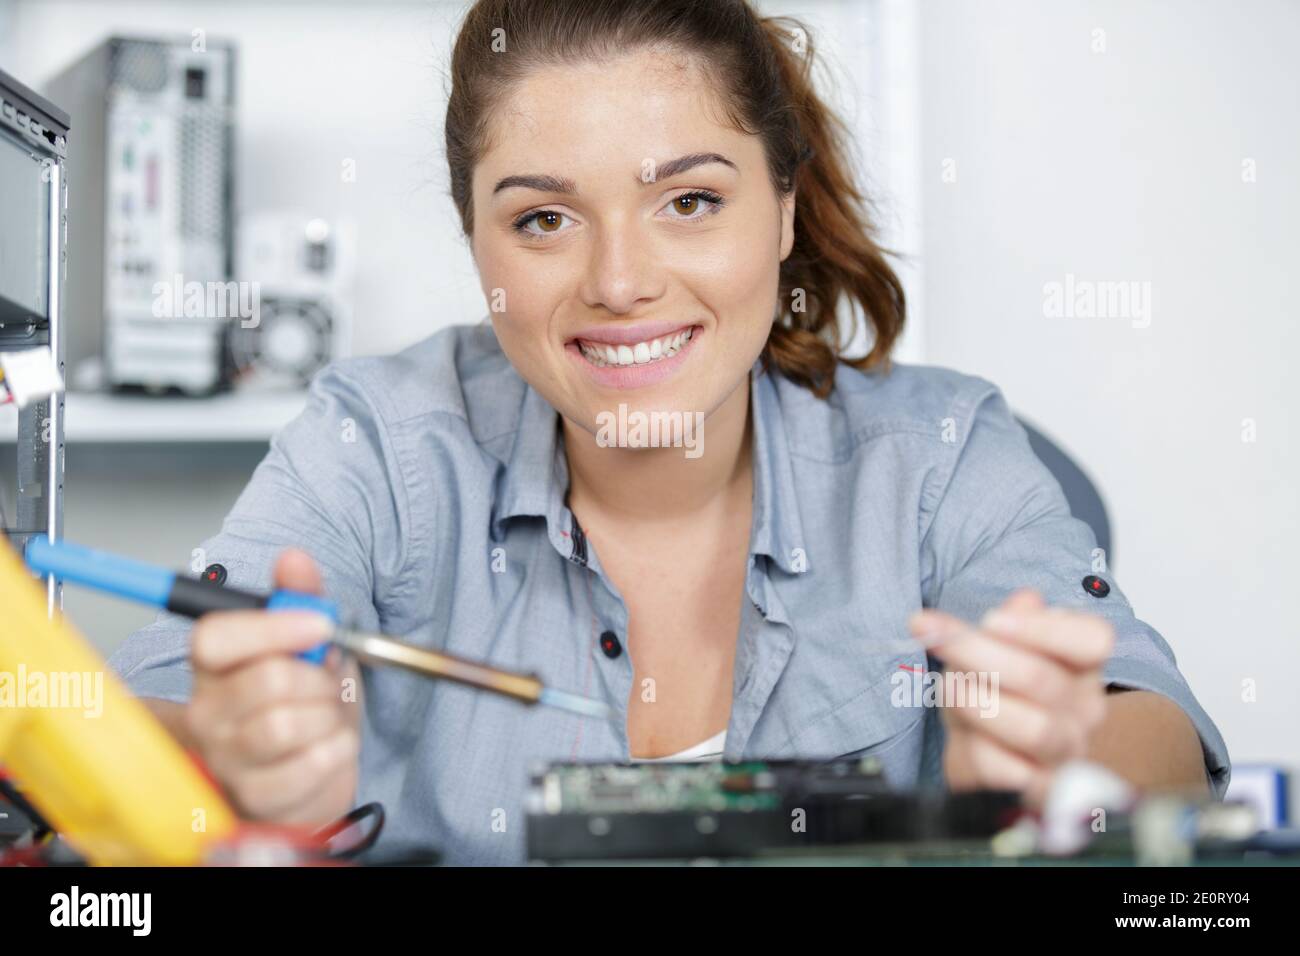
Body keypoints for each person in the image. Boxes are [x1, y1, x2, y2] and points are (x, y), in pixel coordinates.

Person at [108, 0, 1228, 865]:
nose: (620, 280)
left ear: (784, 208)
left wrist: (1050, 790)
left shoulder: (937, 452)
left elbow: (1153, 730)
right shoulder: (377, 440)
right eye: (542, 218)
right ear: (475, 241)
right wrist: (234, 761)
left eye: (689, 200)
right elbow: (150, 721)